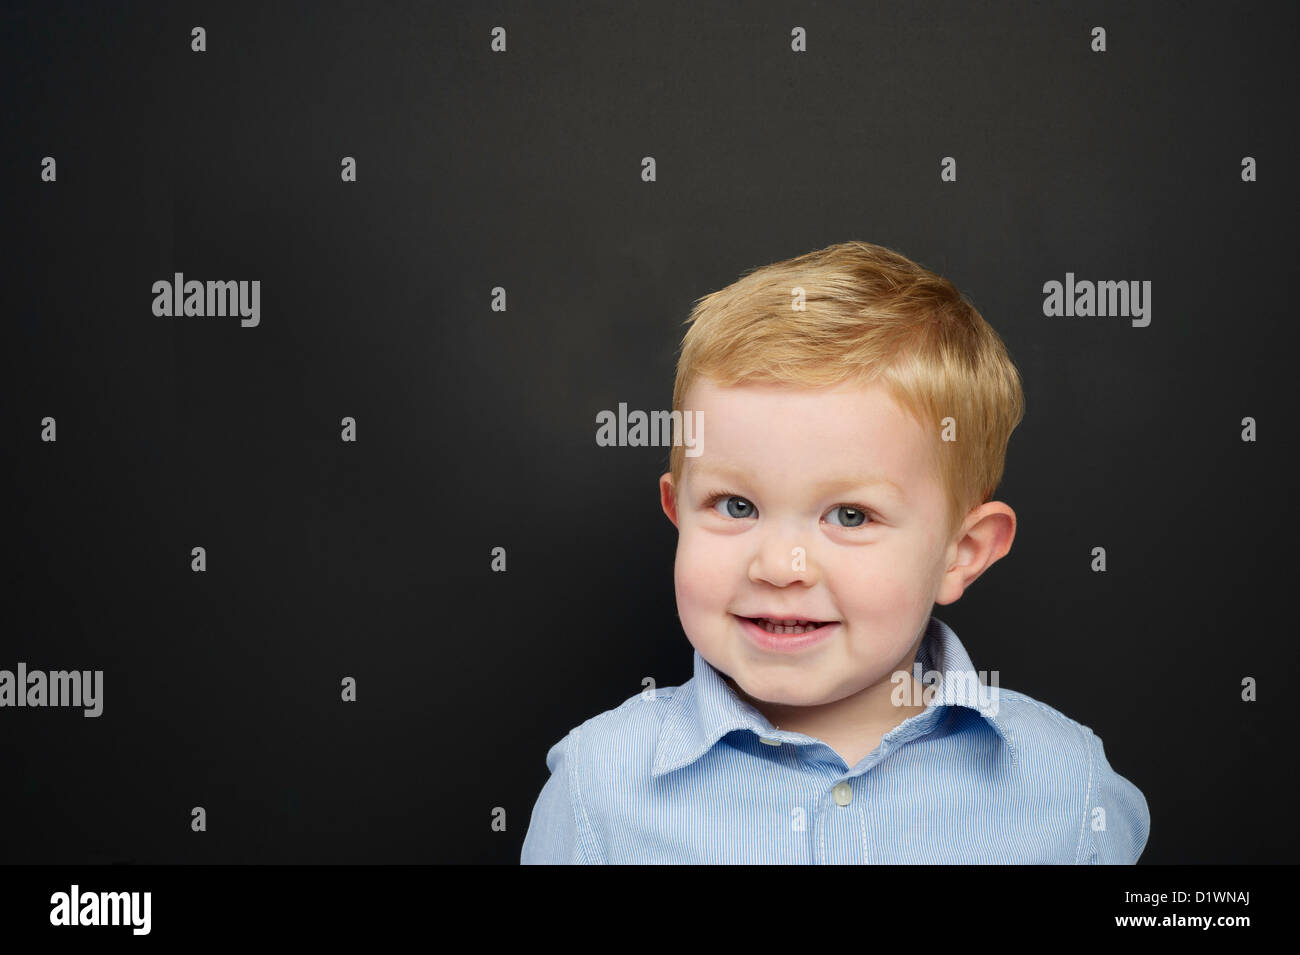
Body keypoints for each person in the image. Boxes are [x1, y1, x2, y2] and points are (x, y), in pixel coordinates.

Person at [521, 240, 1149, 863]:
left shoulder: (1065, 786)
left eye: (850, 516)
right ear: (676, 511)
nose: (778, 567)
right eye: (736, 506)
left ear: (961, 552)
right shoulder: (599, 785)